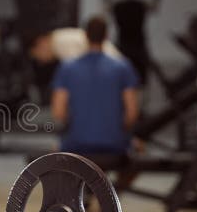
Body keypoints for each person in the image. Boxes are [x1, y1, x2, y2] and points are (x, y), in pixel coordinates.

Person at [51, 17, 139, 156]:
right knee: (139, 148)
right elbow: (132, 113)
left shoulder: (67, 68)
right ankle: (114, 180)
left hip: (76, 143)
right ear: (106, 36)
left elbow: (58, 112)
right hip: (115, 144)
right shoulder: (123, 67)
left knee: (57, 152)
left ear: (85, 36)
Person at [26, 27, 121, 105]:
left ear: (40, 43)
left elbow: (80, 74)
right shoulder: (59, 39)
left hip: (111, 72)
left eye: (38, 56)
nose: (42, 61)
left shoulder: (60, 43)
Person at [103, 0, 160, 86]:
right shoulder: (141, 4)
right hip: (139, 45)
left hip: (123, 45)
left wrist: (105, 0)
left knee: (120, 80)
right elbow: (154, 8)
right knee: (141, 80)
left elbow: (106, 10)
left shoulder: (118, 5)